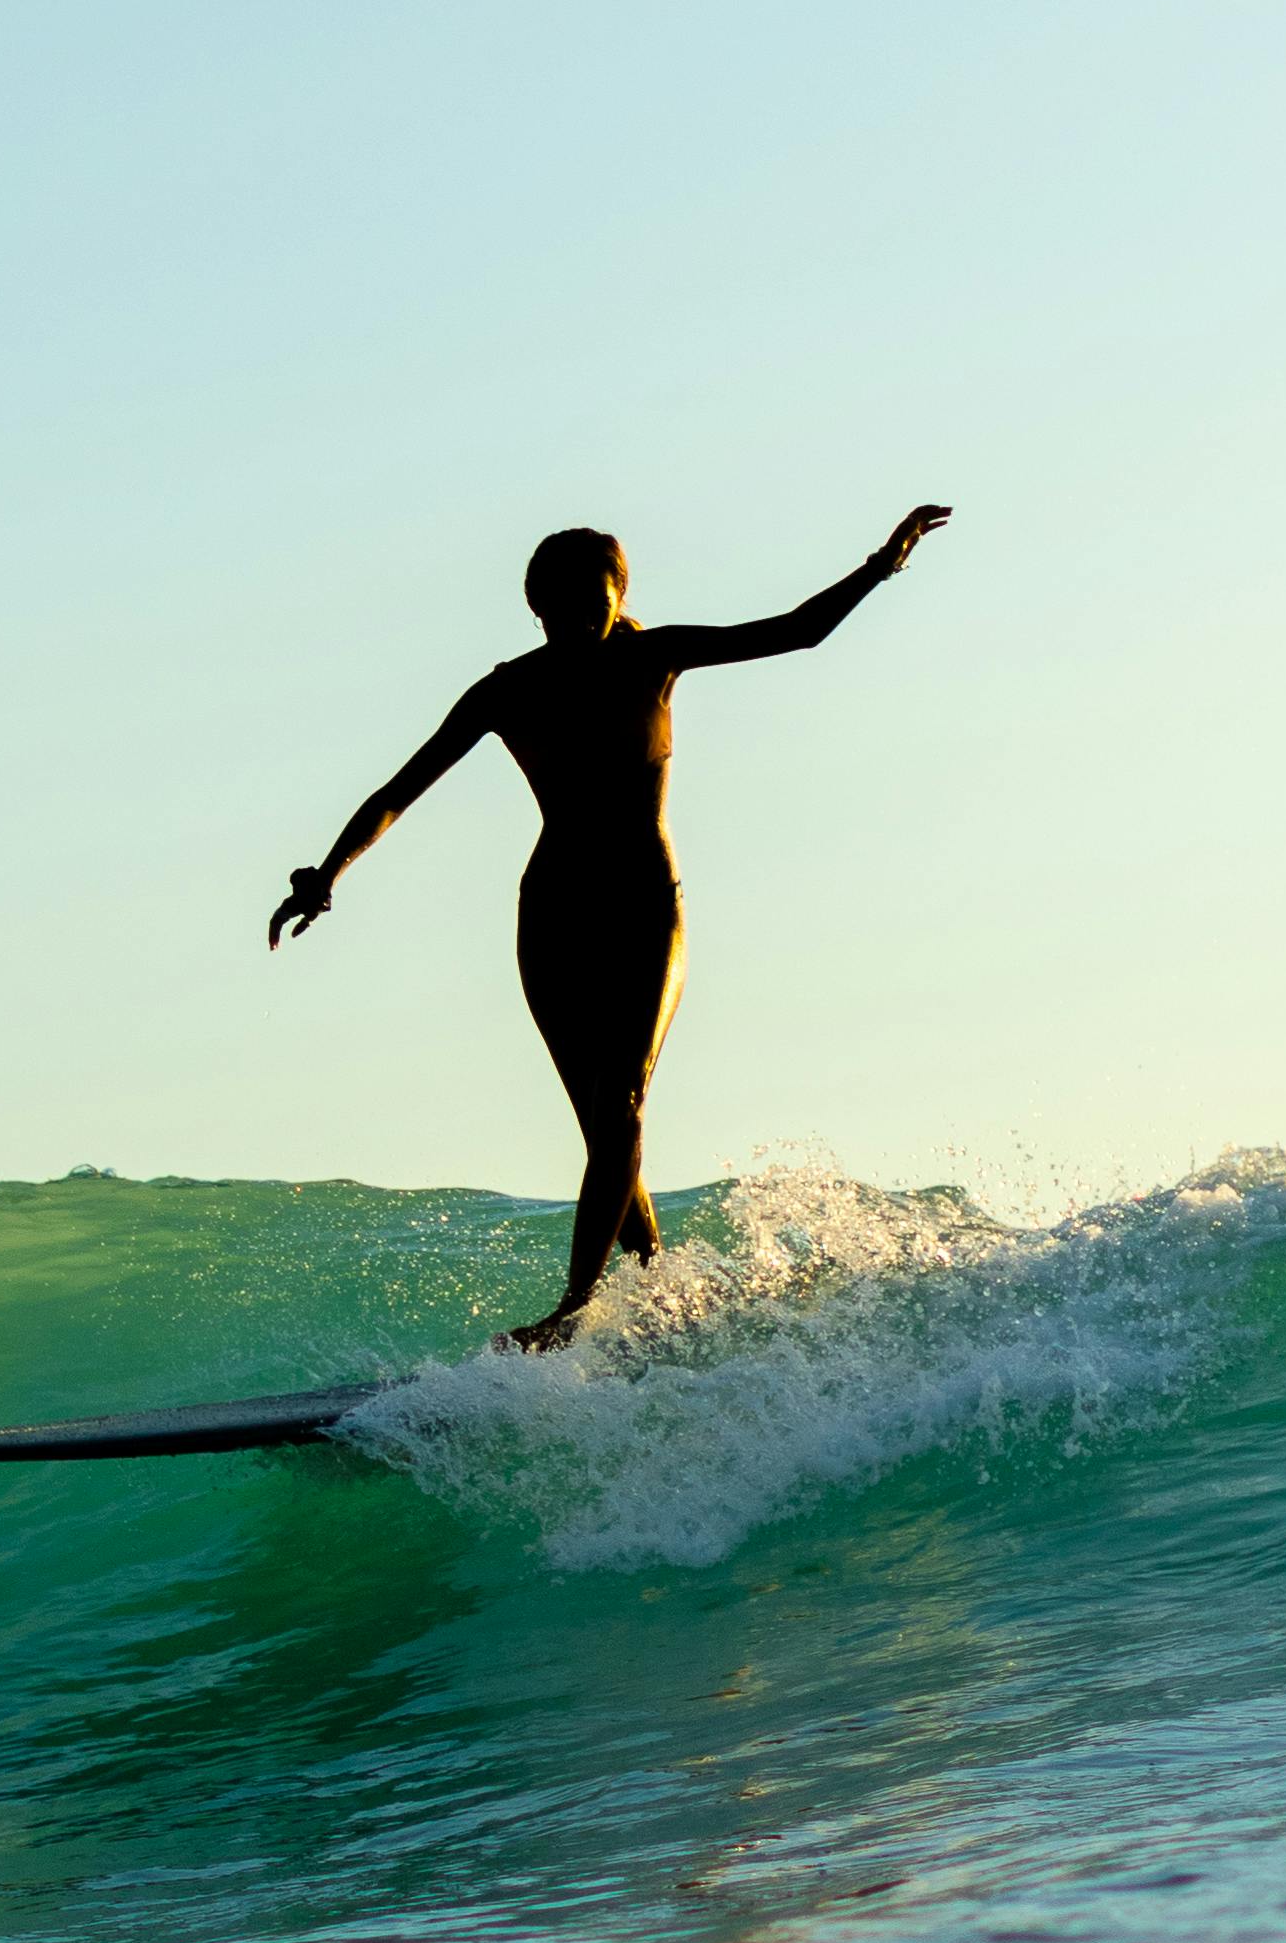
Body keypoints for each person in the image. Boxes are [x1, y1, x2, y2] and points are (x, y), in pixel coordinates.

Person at [269, 506, 954, 1347]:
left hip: (642, 905)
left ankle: (575, 1312)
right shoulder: (506, 690)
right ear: (535, 610)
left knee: (623, 1104)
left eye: (591, 601)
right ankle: (655, 1297)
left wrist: (881, 564)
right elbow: (396, 793)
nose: (575, 619)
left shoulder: (651, 657)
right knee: (604, 1127)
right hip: (555, 915)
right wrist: (327, 877)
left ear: (618, 594)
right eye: (557, 608)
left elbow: (797, 631)